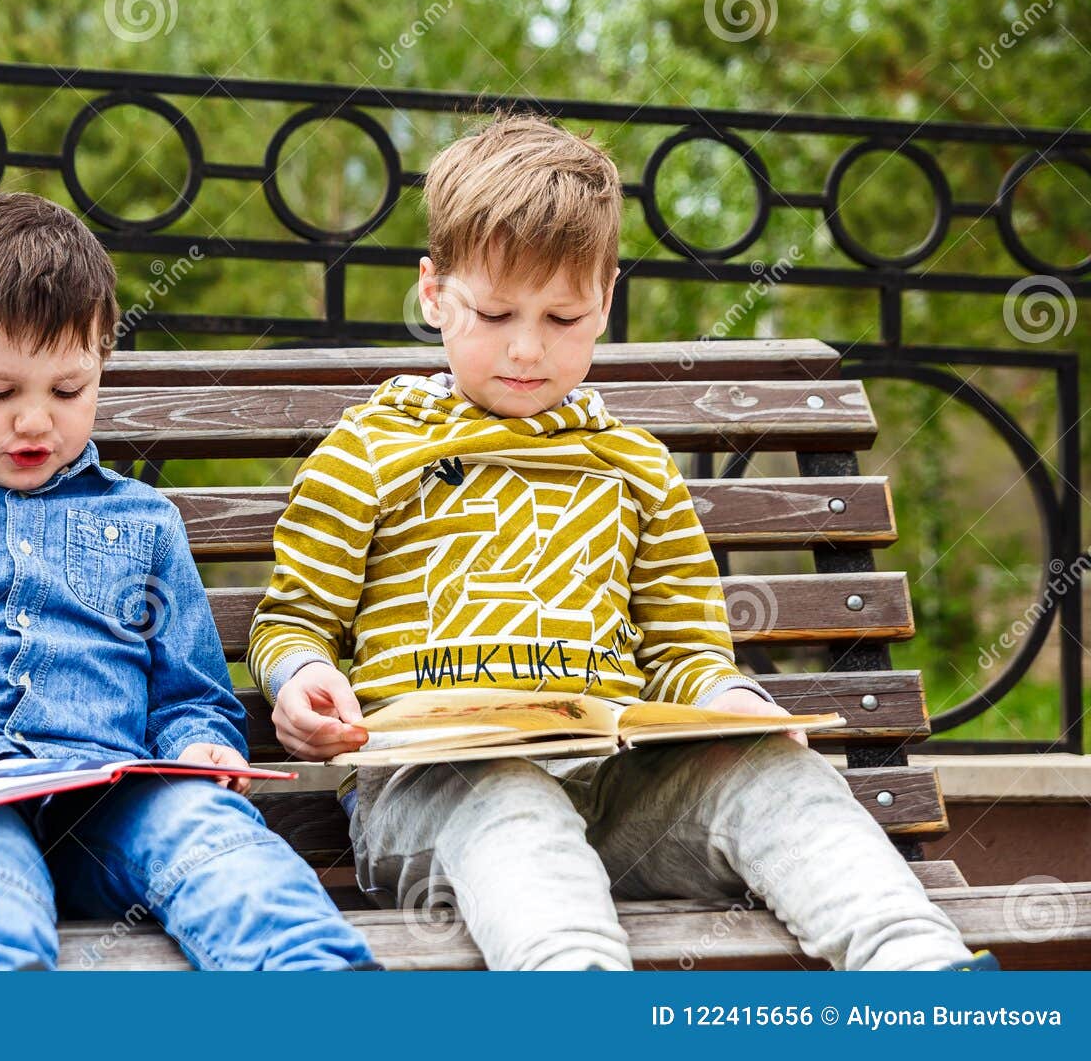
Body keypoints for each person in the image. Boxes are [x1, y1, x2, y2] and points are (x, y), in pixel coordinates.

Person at [247, 115, 995, 972]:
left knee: (775, 775)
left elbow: (684, 650)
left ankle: (925, 976)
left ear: (605, 301)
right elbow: (291, 619)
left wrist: (730, 698)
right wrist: (300, 679)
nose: (527, 347)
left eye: (562, 317)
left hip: (618, 790)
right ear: (433, 293)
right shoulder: (372, 448)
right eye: (494, 313)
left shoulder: (634, 466)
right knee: (513, 800)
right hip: (437, 795)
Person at [0, 191, 376, 972]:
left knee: (216, 842)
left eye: (68, 390)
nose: (36, 422)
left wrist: (204, 750)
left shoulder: (145, 521)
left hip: (112, 803)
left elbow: (190, 698)